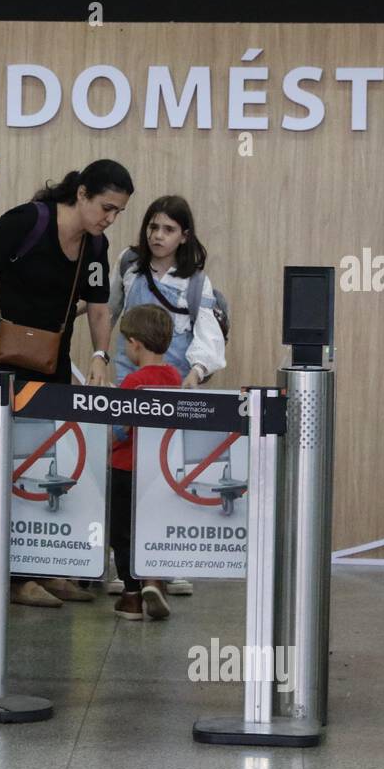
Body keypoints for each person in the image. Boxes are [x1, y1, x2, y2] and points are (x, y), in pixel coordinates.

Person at [0, 160, 133, 607]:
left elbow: (97, 305)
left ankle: (43, 566)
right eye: (106, 208)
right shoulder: (31, 220)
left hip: (49, 362)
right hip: (6, 363)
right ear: (81, 194)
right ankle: (12, 576)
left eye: (117, 213)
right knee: (7, 467)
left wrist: (99, 355)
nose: (109, 219)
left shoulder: (95, 245)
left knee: (43, 464)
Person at [105, 195, 226, 599]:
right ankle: (125, 566)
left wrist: (195, 373)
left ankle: (167, 563)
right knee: (124, 473)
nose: (158, 236)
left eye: (168, 229)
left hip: (171, 390)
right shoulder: (128, 264)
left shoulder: (197, 283)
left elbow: (208, 334)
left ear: (184, 235)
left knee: (166, 476)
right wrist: (99, 355)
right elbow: (108, 311)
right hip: (127, 383)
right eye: (153, 227)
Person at [108, 305, 183, 619]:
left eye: (126, 341)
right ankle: (154, 578)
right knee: (152, 528)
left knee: (122, 533)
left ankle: (132, 594)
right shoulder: (174, 377)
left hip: (126, 470)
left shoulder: (133, 383)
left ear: (135, 343)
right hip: (158, 473)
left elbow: (120, 432)